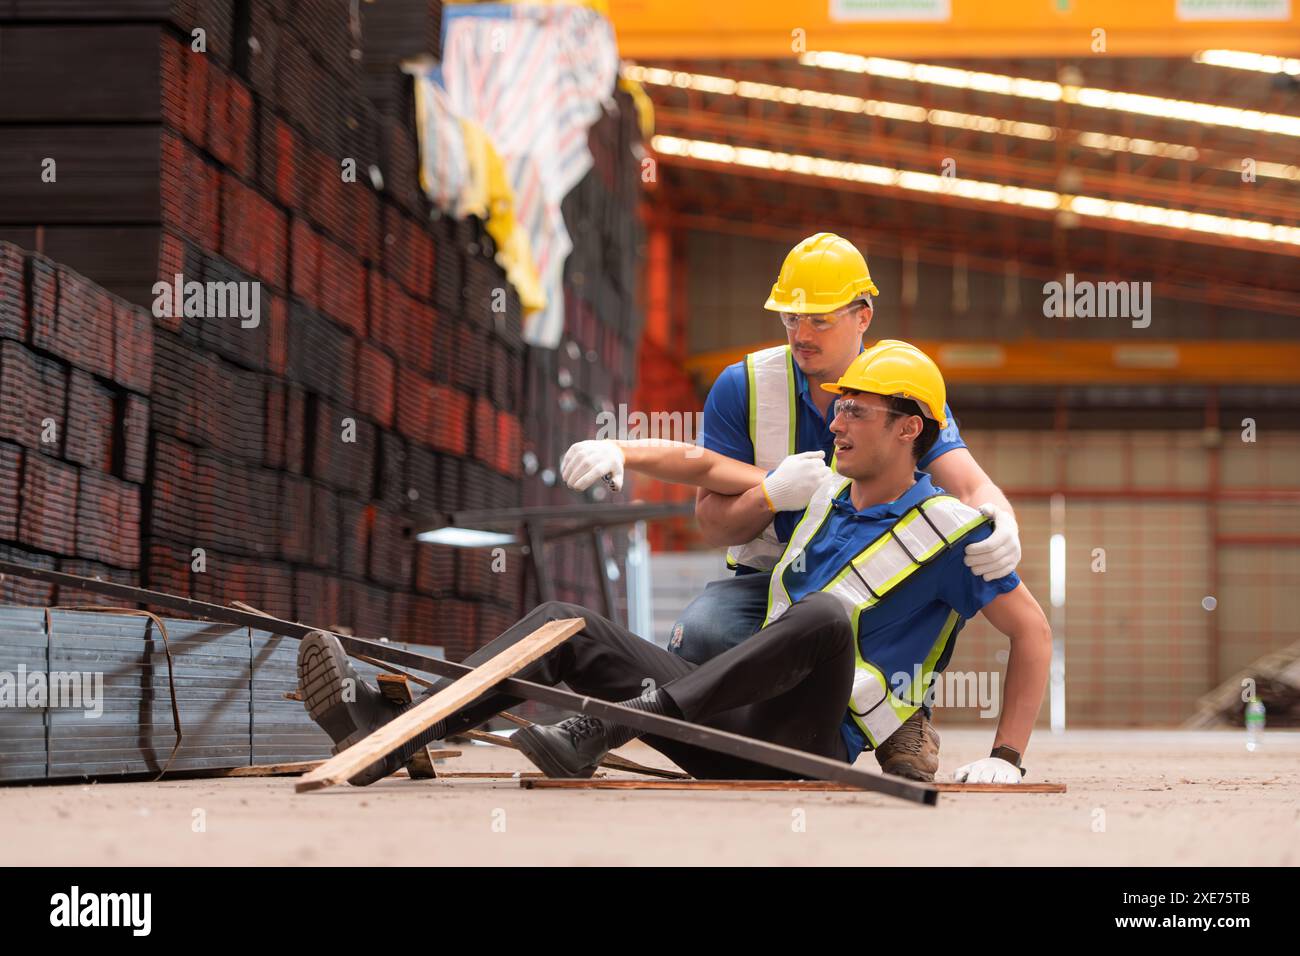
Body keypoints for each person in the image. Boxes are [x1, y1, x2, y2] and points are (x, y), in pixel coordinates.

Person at [298, 342, 1050, 786]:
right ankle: (389, 728)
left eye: (857, 409)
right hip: (727, 722)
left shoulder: (952, 534)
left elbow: (1032, 635)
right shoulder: (820, 491)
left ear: (910, 427)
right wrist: (622, 450)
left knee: (826, 616)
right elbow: (705, 470)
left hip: (804, 748)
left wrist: (1007, 755)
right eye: (837, 405)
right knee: (569, 626)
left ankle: (603, 730)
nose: (837, 419)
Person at [560, 232, 1023, 778]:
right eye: (789, 318)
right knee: (703, 633)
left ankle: (900, 713)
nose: (801, 334)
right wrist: (766, 493)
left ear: (863, 317)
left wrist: (1002, 518)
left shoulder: (897, 393)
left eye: (820, 320)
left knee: (935, 577)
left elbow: (970, 486)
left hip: (861, 592)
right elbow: (709, 502)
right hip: (774, 581)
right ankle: (742, 727)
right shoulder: (747, 387)